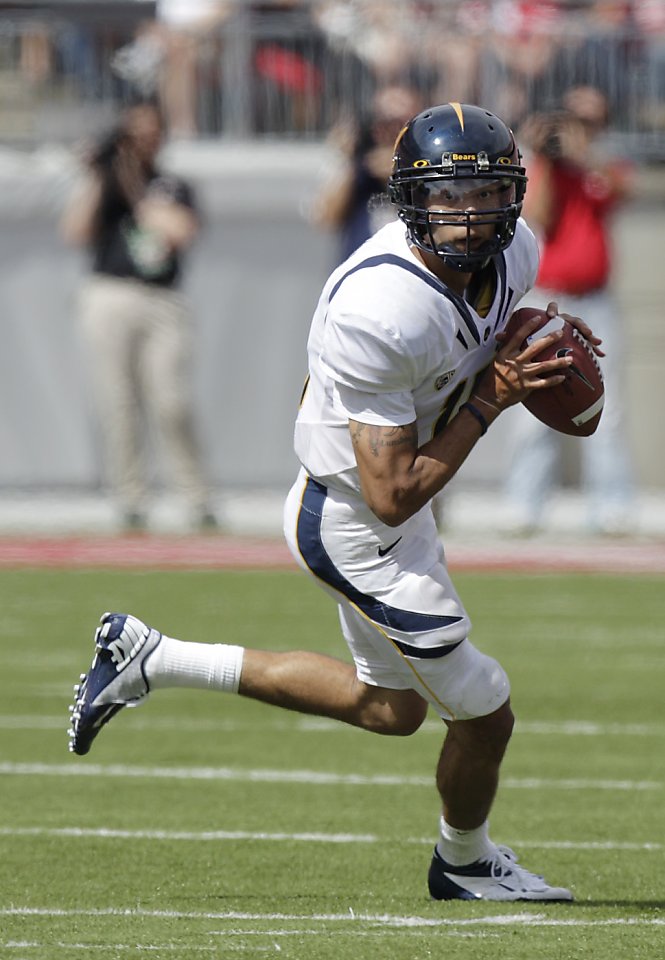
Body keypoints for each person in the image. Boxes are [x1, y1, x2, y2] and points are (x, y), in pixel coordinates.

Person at [68, 103, 601, 901]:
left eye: (486, 193)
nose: (470, 213)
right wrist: (490, 400)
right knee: (485, 711)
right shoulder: (378, 307)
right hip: (351, 519)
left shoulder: (517, 251)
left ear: (512, 197)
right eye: (449, 195)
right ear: (411, 200)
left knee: (388, 710)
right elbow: (391, 494)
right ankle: (463, 862)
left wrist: (533, 346)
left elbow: (481, 343)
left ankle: (149, 657)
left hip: (387, 501)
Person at [60, 101, 217, 532]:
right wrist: (98, 173)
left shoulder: (171, 184)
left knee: (171, 401)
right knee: (117, 401)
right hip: (109, 291)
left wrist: (132, 183)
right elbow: (75, 231)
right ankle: (130, 497)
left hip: (161, 298)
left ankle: (196, 496)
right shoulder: (105, 183)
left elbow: (179, 231)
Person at [503, 86, 635, 535]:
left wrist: (584, 154)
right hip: (547, 297)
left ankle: (612, 508)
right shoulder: (541, 169)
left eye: (587, 122)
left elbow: (622, 190)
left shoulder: (600, 166)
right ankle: (525, 506)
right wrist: (543, 157)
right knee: (529, 404)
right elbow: (538, 215)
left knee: (607, 405)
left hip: (595, 299)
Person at [311, 84, 424, 264]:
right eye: (383, 122)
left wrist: (400, 174)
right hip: (359, 273)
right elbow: (326, 217)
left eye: (400, 123)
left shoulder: (426, 166)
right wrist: (351, 161)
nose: (389, 132)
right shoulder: (358, 165)